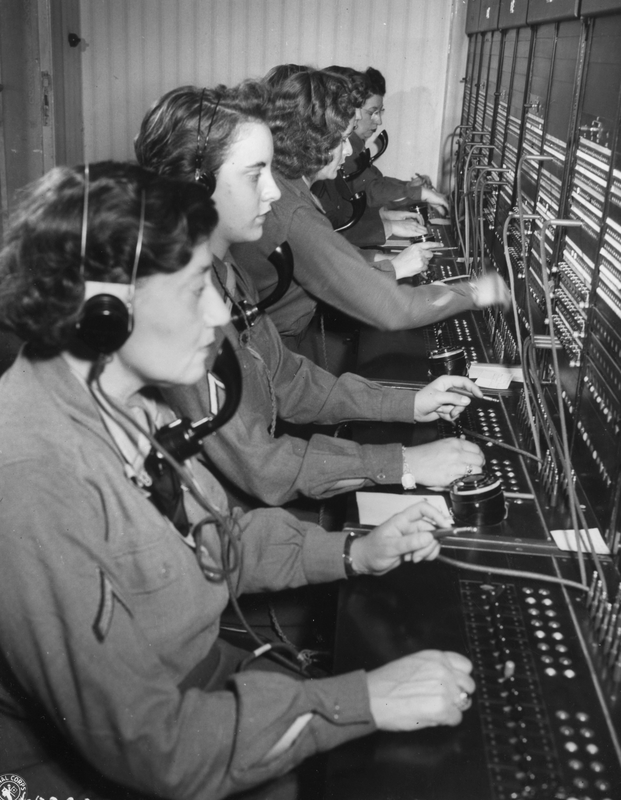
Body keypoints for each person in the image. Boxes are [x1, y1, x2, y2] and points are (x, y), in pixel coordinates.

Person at [0, 162, 476, 800]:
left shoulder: (126, 399)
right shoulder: (33, 481)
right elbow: (155, 748)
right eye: (197, 286)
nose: (221, 309)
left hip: (198, 684)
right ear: (104, 313)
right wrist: (360, 700)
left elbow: (211, 542)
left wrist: (352, 552)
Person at [134, 82, 486, 510]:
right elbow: (260, 465)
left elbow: (288, 380)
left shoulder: (225, 273)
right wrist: (403, 462)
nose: (275, 191)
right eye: (253, 175)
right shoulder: (176, 308)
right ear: (196, 186)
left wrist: (409, 403)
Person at [231, 67, 510, 358]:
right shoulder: (295, 213)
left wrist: (385, 265)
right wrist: (476, 292)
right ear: (312, 142)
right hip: (269, 352)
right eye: (341, 140)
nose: (349, 152)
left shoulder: (288, 190)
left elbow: (327, 255)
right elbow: (395, 309)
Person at [312, 66, 432, 248]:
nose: (379, 121)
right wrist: (412, 194)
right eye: (372, 112)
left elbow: (343, 215)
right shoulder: (337, 156)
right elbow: (369, 192)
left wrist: (388, 211)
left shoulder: (340, 154)